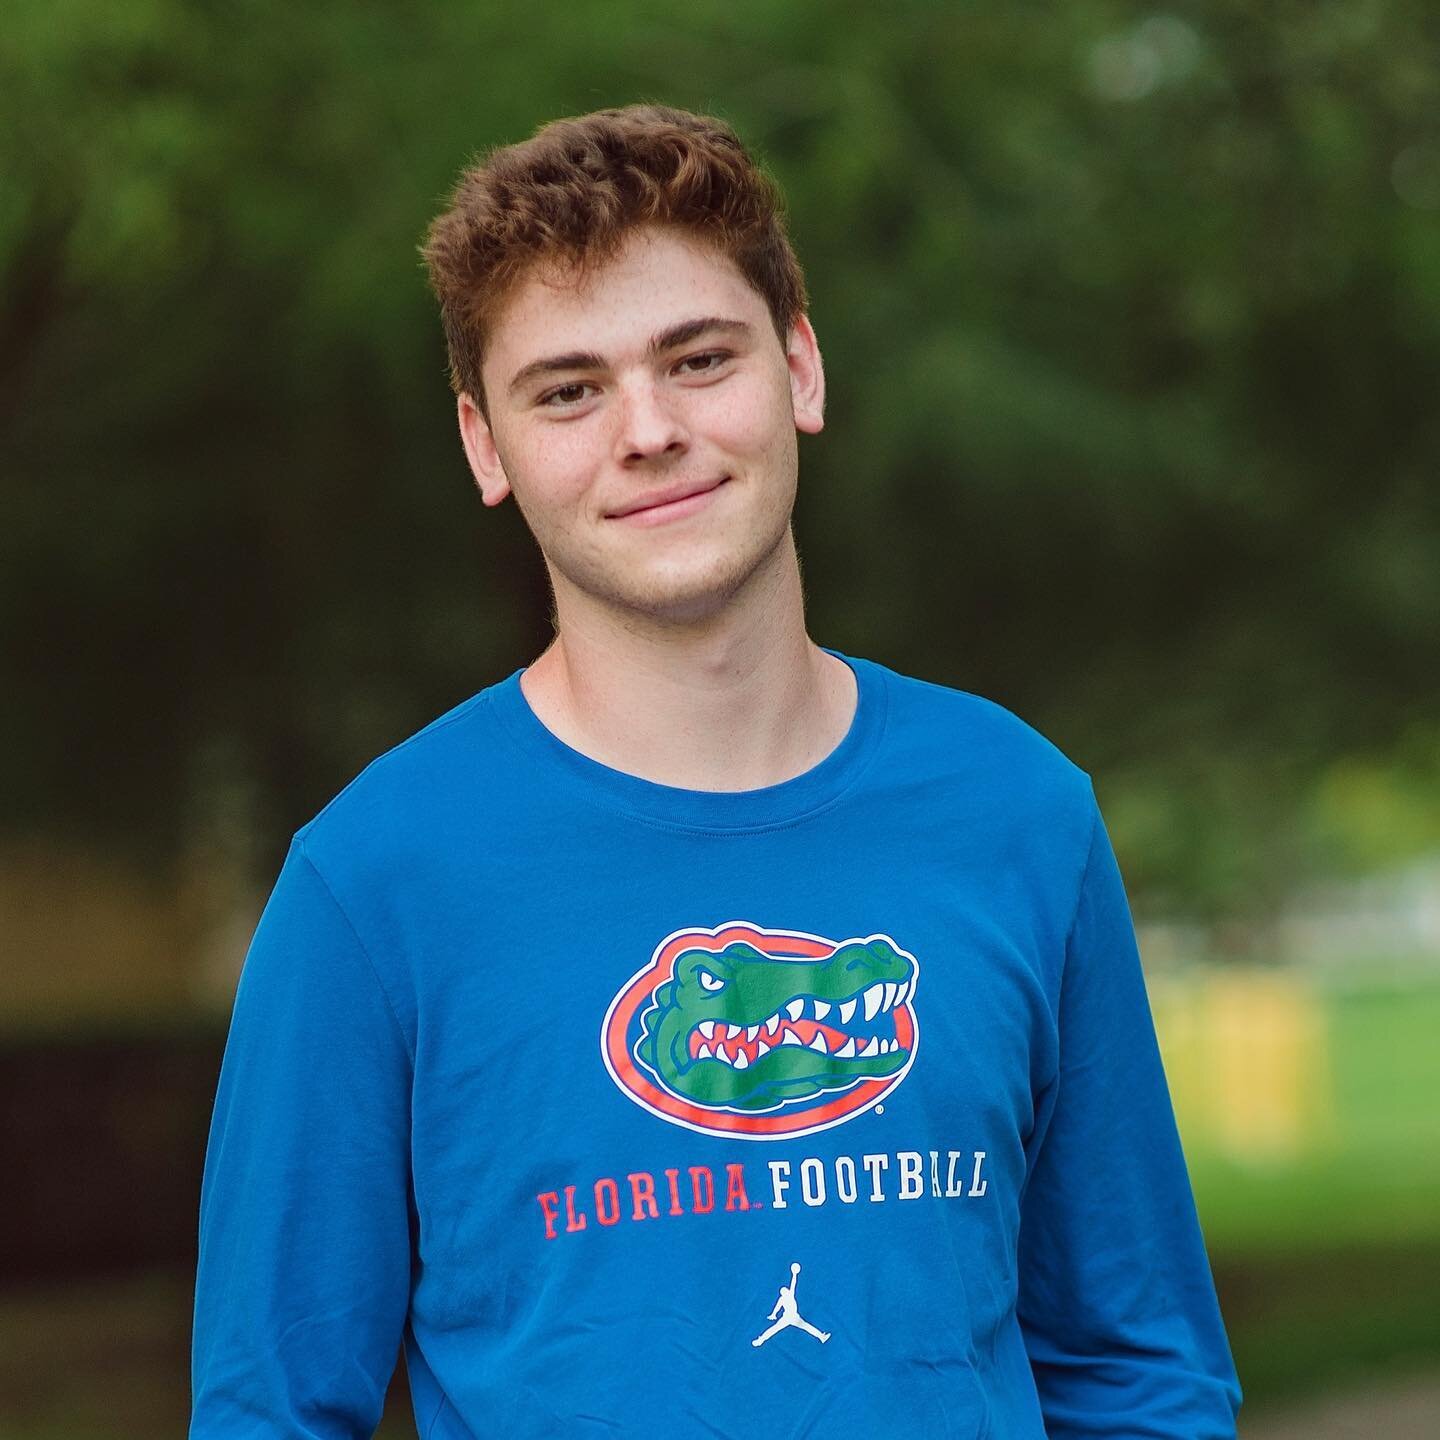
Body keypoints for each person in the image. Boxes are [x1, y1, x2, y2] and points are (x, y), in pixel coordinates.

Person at [189, 103, 1242, 1438]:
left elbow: (1144, 1369)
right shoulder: (376, 882)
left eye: (698, 359)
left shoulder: (1020, 812)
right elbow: (270, 1411)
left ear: (799, 369)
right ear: (484, 446)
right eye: (568, 389)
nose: (647, 430)